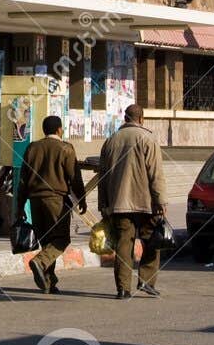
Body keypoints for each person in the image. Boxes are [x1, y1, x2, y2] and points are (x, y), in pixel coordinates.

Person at [96, 104, 167, 300]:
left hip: (119, 203)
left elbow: (102, 177)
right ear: (141, 119)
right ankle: (146, 280)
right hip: (146, 202)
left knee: (123, 245)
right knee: (152, 240)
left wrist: (103, 204)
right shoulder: (148, 138)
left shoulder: (111, 141)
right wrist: (161, 201)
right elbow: (156, 173)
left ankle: (123, 289)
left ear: (125, 118)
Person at [15, 115, 88, 294]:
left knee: (47, 240)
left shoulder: (32, 148)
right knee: (62, 238)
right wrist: (82, 198)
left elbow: (23, 181)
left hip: (35, 200)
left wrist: (19, 206)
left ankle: (48, 282)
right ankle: (39, 262)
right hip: (55, 200)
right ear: (59, 130)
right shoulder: (66, 149)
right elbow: (75, 178)